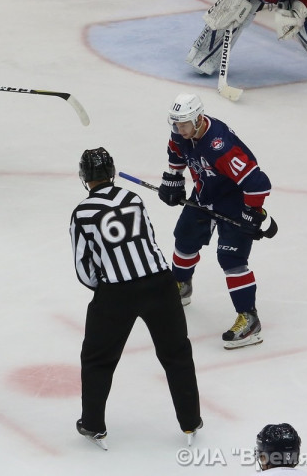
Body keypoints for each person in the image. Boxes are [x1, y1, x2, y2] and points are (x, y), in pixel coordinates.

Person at [71, 148, 202, 450]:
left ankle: (93, 425)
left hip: (117, 294)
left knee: (97, 360)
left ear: (85, 177)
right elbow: (149, 240)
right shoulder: (133, 198)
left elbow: (83, 269)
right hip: (161, 284)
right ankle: (190, 421)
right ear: (112, 172)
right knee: (177, 354)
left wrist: (107, 288)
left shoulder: (83, 212)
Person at [158, 93, 278, 349]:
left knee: (231, 259)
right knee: (185, 239)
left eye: (183, 124)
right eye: (176, 124)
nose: (178, 129)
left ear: (198, 119)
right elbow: (177, 155)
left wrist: (251, 213)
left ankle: (249, 319)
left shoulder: (219, 144)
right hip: (204, 194)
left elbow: (258, 184)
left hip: (235, 201)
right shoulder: (182, 132)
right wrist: (174, 180)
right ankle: (181, 286)